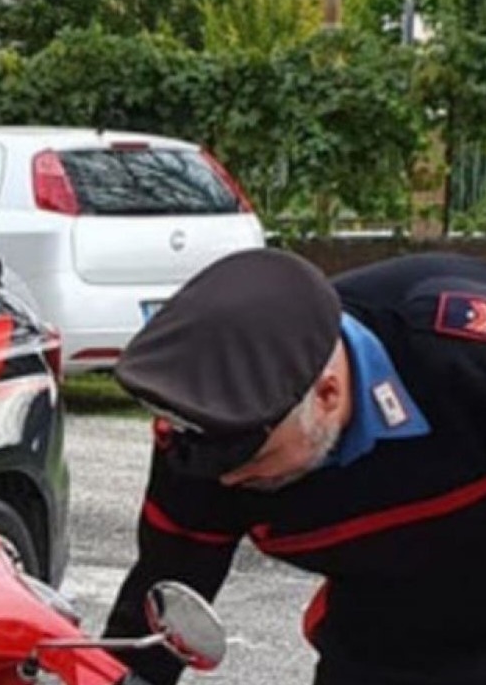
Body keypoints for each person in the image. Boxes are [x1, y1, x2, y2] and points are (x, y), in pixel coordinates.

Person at [103, 248, 486, 685]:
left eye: (258, 461)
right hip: (378, 632)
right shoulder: (199, 426)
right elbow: (163, 600)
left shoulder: (459, 358)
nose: (230, 480)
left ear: (327, 395)